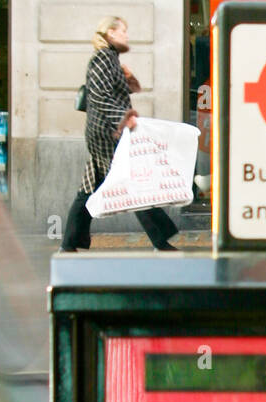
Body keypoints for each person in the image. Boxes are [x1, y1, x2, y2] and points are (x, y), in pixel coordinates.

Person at [62, 15, 179, 252]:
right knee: (134, 182)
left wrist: (127, 77)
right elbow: (100, 97)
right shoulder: (103, 59)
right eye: (123, 30)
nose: (127, 35)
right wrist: (124, 118)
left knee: (90, 188)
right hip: (106, 133)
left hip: (103, 132)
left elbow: (119, 91)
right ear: (111, 33)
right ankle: (161, 239)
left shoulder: (110, 59)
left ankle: (70, 242)